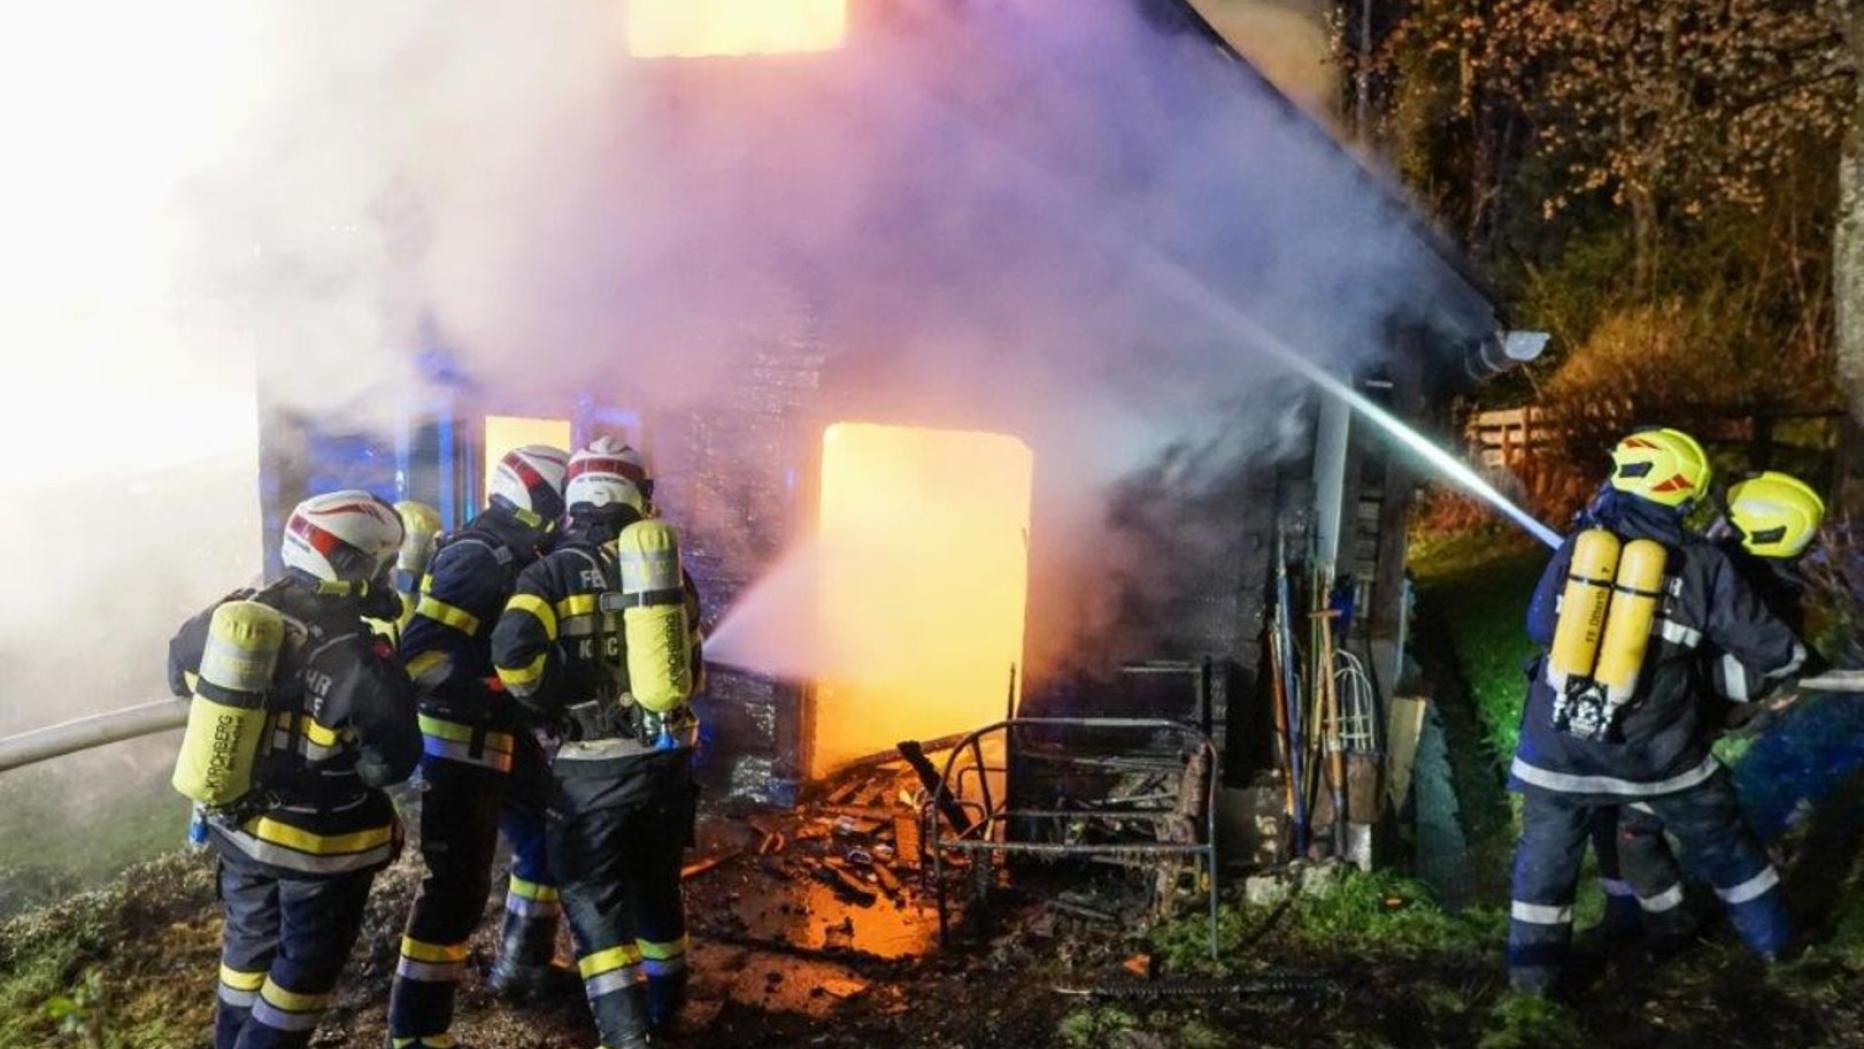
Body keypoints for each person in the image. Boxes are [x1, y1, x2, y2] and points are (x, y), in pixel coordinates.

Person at [1507, 429, 1808, 994]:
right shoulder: (1702, 564)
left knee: (1544, 871)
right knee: (1725, 844)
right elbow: (1767, 646)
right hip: (1659, 755)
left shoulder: (1579, 547)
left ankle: (1531, 984)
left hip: (1558, 751)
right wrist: (1796, 657)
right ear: (1683, 494)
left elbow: (1539, 627)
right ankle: (1779, 950)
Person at [168, 492, 420, 1049]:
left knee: (245, 955)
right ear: (353, 564)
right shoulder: (357, 656)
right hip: (319, 852)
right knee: (301, 974)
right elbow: (392, 761)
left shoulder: (239, 614)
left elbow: (179, 669)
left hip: (238, 830)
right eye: (383, 563)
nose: (388, 576)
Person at [490, 438, 704, 1048]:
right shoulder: (671, 575)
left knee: (595, 910)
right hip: (666, 764)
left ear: (576, 497)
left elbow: (512, 653)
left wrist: (549, 697)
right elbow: (692, 670)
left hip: (590, 772)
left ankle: (627, 1037)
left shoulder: (550, 572)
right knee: (657, 885)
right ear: (637, 497)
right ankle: (668, 1011)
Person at [388, 445, 570, 1049]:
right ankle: (416, 1030)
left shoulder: (521, 550)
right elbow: (420, 654)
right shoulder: (478, 557)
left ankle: (524, 965)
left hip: (501, 730)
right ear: (536, 497)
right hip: (457, 740)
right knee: (457, 886)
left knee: (548, 837)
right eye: (560, 499)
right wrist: (485, 686)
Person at [1607, 470, 1827, 943]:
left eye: (1726, 523)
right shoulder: (1766, 588)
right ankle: (1746, 936)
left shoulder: (1736, 585)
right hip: (1675, 730)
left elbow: (1743, 682)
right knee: (1663, 828)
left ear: (1760, 532)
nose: (1713, 528)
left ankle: (1749, 939)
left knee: (1671, 829)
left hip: (1673, 729)